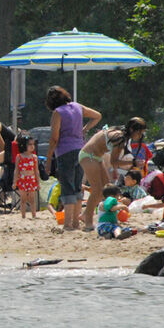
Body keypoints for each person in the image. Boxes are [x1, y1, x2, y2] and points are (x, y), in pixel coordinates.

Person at [43, 85, 101, 231]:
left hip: (65, 152)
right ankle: (76, 222)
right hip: (81, 150)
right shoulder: (77, 106)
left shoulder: (58, 112)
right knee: (77, 187)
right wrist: (85, 130)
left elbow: (54, 139)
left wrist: (49, 159)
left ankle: (68, 224)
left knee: (67, 186)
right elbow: (97, 116)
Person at [79, 127, 127, 231]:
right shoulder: (118, 136)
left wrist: (114, 170)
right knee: (96, 190)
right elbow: (114, 160)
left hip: (97, 157)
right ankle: (88, 222)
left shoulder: (119, 136)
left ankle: (85, 214)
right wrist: (133, 163)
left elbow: (114, 158)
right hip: (89, 155)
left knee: (106, 189)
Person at [13, 134, 39, 219]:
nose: (32, 146)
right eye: (30, 144)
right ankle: (23, 215)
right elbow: (17, 170)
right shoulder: (19, 157)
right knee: (23, 199)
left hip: (31, 179)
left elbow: (36, 171)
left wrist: (38, 183)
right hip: (22, 179)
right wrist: (15, 182)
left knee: (32, 199)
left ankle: (34, 215)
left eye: (33, 144)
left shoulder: (34, 157)